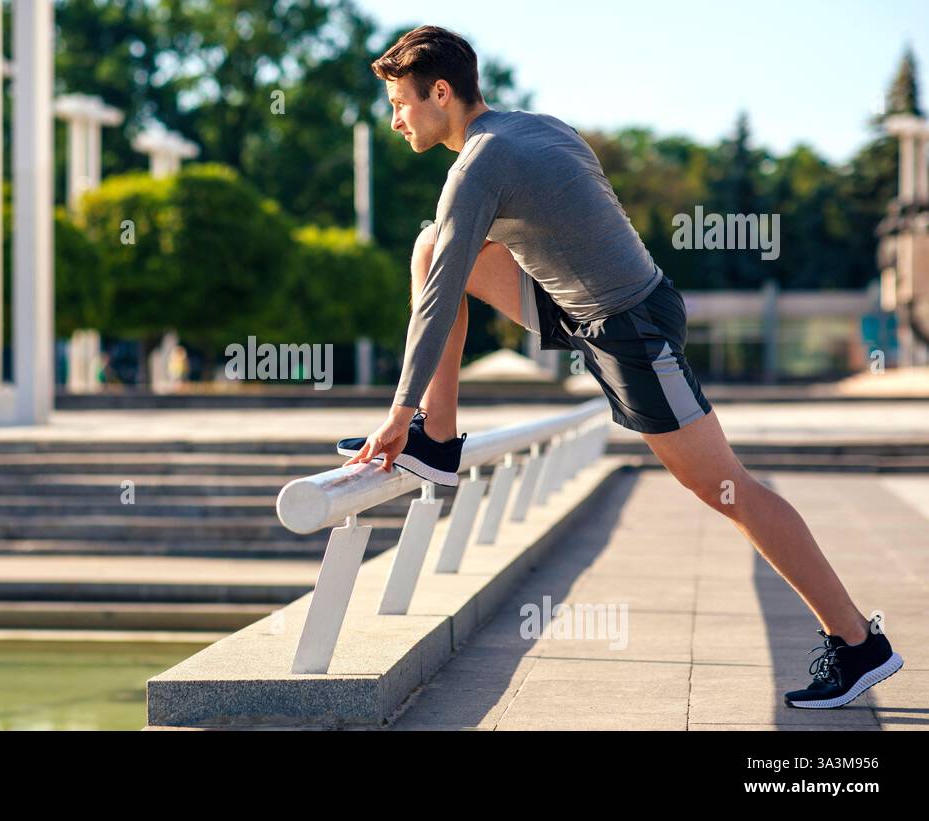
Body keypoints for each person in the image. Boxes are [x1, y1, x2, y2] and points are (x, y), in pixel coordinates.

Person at [338, 24, 902, 709]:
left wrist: (396, 411)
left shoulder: (480, 165)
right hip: (587, 308)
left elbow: (434, 309)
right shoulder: (531, 128)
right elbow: (532, 234)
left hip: (631, 332)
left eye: (401, 103)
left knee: (727, 487)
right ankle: (440, 436)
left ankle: (856, 642)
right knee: (432, 248)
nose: (395, 120)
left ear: (442, 92)